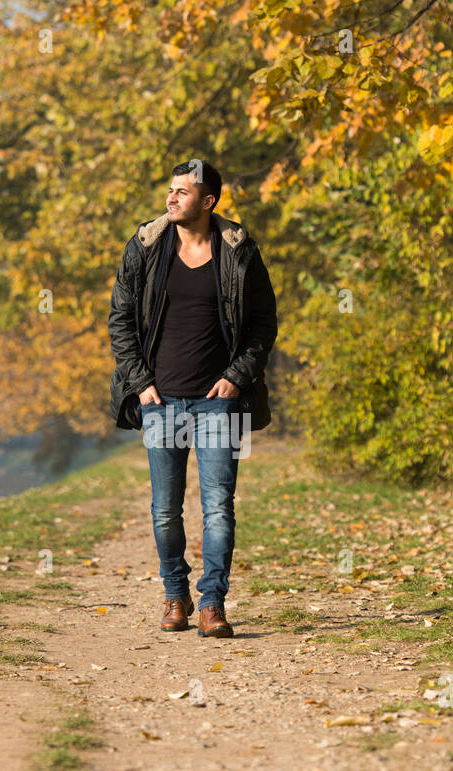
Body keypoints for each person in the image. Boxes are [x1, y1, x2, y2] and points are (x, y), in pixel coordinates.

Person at [107, 159, 278, 637]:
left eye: (182, 192)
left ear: (208, 201)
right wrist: (141, 384)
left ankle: (213, 604)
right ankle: (174, 596)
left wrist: (237, 377)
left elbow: (264, 323)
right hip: (160, 402)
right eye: (169, 189)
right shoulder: (145, 247)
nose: (171, 198)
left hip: (219, 402)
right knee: (165, 509)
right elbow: (120, 321)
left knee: (219, 506)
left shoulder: (238, 251)